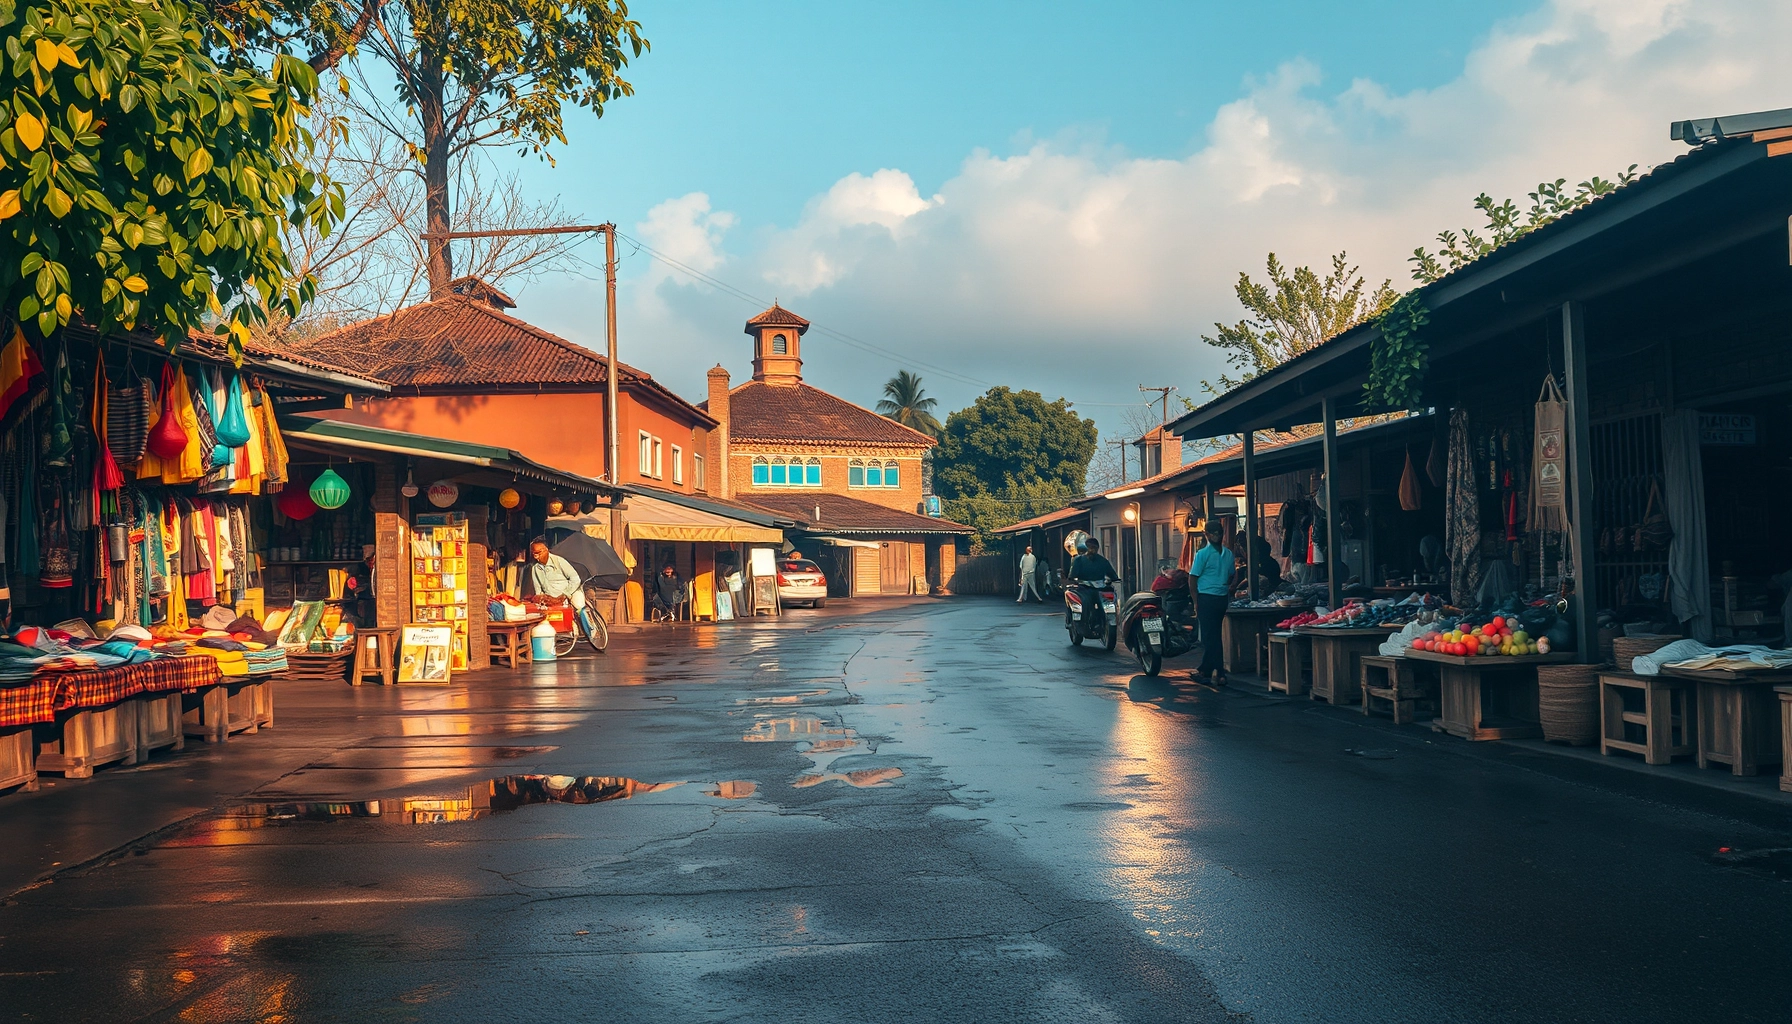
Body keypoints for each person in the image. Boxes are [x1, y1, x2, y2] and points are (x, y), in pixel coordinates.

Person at [1192, 524, 1236, 684]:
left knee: (1209, 637)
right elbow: (1232, 575)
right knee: (1215, 634)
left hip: (1207, 598)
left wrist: (1195, 601)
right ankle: (1205, 669)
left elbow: (1193, 577)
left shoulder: (1202, 554)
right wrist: (1227, 587)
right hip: (1221, 598)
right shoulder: (1229, 554)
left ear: (1206, 534)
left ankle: (1220, 672)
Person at [529, 539, 583, 603]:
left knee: (578, 604)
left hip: (567, 596)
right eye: (533, 553)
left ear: (546, 550)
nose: (536, 557)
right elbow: (538, 591)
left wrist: (564, 595)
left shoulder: (559, 561)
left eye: (538, 553)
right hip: (549, 601)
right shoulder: (535, 568)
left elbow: (575, 579)